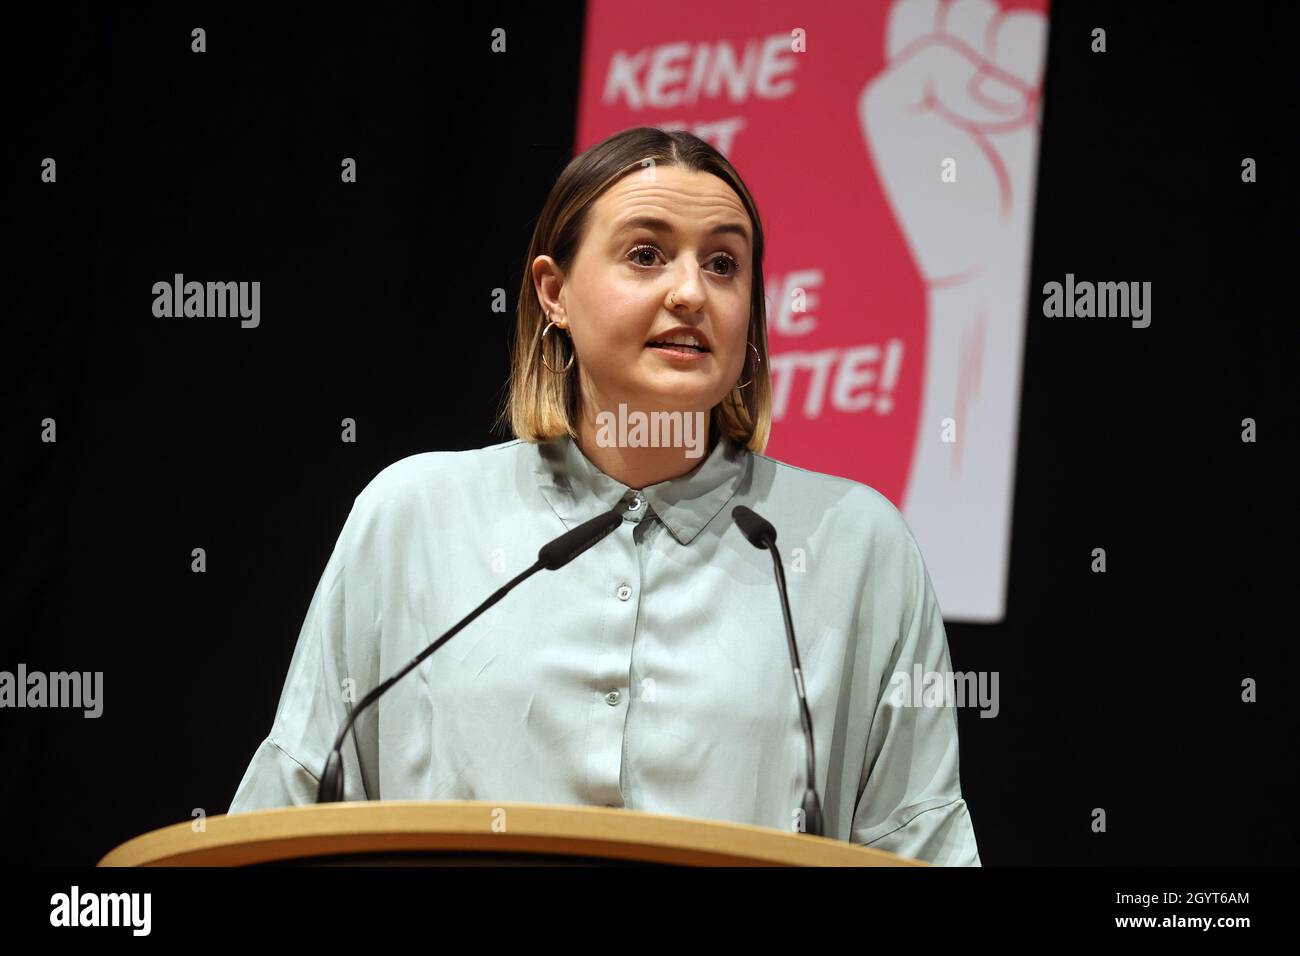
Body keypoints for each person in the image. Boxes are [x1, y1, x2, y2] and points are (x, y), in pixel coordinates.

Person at [228, 126, 982, 866]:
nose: (691, 292)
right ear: (554, 292)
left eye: (724, 265)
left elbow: (917, 843)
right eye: (646, 255)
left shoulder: (853, 544)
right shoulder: (414, 517)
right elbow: (291, 808)